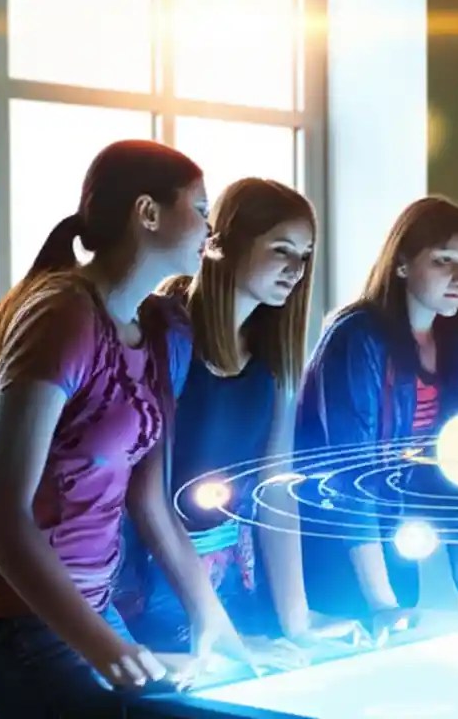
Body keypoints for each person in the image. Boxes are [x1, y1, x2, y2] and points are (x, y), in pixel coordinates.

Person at [0, 140, 253, 717]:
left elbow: (150, 503)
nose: (209, 230)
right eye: (200, 209)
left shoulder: (164, 333)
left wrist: (212, 621)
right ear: (148, 212)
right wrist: (105, 648)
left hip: (94, 611)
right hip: (13, 623)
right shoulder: (62, 314)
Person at [114, 178, 366, 657]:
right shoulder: (162, 334)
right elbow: (144, 497)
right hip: (148, 582)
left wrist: (297, 620)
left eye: (304, 255)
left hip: (234, 579)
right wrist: (213, 627)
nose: (296, 269)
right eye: (280, 250)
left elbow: (277, 491)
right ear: (223, 242)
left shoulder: (274, 359)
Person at [295, 197, 458, 634]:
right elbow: (351, 477)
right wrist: (381, 602)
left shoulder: (454, 339)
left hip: (395, 534)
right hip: (331, 540)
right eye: (443, 260)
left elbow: (457, 467)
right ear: (402, 264)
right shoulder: (356, 337)